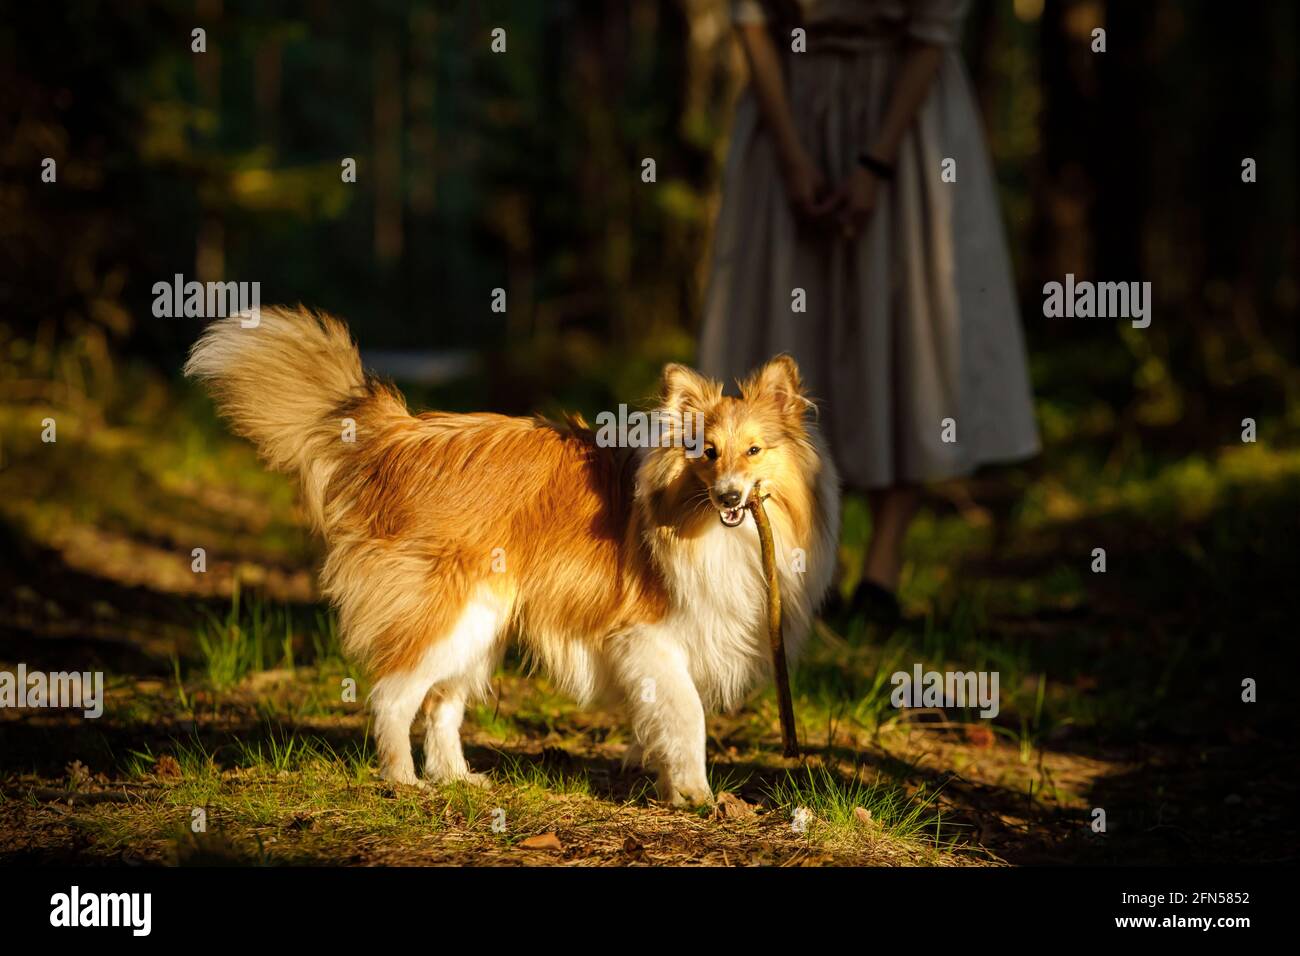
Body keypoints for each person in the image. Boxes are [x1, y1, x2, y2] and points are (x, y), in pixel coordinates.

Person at [699, 0, 1040, 625]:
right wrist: (794, 156)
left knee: (903, 336)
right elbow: (751, 21)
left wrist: (877, 163)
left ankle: (883, 566)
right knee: (792, 333)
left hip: (905, 124)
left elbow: (933, 32)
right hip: (791, 115)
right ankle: (814, 557)